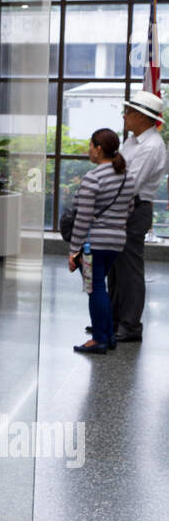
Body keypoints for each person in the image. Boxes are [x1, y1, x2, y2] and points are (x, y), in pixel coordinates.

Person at [68, 129, 136, 355]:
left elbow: (83, 217)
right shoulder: (127, 177)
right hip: (116, 243)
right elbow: (129, 209)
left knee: (94, 288)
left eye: (90, 145)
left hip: (92, 245)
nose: (88, 150)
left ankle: (99, 339)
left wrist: (73, 250)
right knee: (100, 287)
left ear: (98, 148)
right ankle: (108, 336)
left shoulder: (93, 177)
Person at [108, 90, 167, 342]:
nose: (125, 115)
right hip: (121, 206)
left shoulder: (152, 146)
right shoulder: (132, 141)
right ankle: (113, 320)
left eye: (129, 112)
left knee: (130, 270)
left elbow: (131, 184)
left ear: (144, 117)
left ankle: (130, 326)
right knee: (115, 267)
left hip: (135, 208)